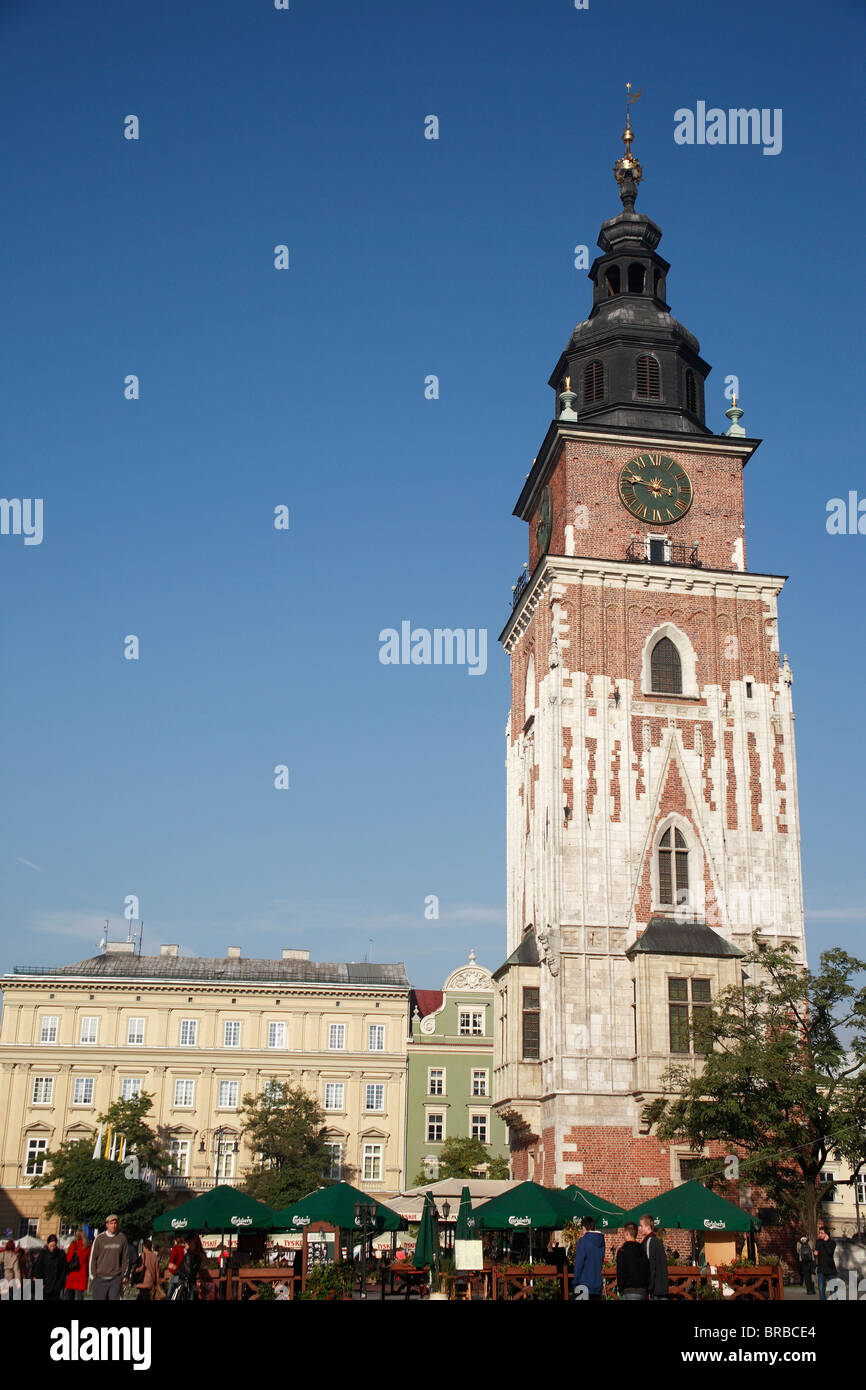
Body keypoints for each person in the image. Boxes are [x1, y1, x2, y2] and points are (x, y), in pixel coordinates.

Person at [89, 1215, 129, 1301]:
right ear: (107, 1225)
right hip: (100, 1278)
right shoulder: (100, 1239)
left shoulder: (122, 1238)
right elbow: (93, 1258)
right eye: (111, 1223)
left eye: (115, 1223)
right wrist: (93, 1276)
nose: (113, 1225)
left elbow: (125, 1258)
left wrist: (124, 1275)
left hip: (115, 1279)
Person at [572, 1216, 606, 1300]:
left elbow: (579, 1264)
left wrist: (575, 1282)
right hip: (597, 1285)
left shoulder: (583, 1241)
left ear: (583, 1227)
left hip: (583, 1284)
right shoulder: (601, 1241)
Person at [638, 1214, 669, 1300]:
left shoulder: (649, 1242)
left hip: (655, 1289)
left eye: (641, 1226)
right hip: (662, 1287)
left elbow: (650, 1266)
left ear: (648, 1226)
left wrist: (649, 1288)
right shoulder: (657, 1241)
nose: (639, 1228)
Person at [616, 1222, 650, 1301]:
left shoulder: (622, 1251)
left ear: (627, 1233)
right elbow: (647, 1269)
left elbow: (620, 1272)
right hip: (642, 1290)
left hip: (628, 1290)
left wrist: (621, 1288)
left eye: (624, 1233)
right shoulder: (642, 1249)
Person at [34, 1234, 68, 1301]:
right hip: (43, 1285)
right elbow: (37, 1269)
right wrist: (40, 1283)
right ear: (47, 1244)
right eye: (51, 1246)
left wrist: (59, 1285)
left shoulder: (61, 1254)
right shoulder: (43, 1254)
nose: (53, 1248)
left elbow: (64, 1271)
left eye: (54, 1245)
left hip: (55, 1287)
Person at [174, 1232, 204, 1300]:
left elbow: (187, 1274)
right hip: (193, 1286)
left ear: (191, 1244)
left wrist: (177, 1270)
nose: (185, 1244)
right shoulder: (198, 1256)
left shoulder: (188, 1256)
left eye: (186, 1242)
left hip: (185, 1288)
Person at [64, 1229, 90, 1300]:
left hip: (73, 1273)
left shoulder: (73, 1245)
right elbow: (88, 1262)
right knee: (80, 1296)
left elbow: (68, 1259)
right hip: (82, 1274)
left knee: (68, 1295)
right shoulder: (87, 1247)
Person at [815, 1225, 837, 1300]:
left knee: (833, 1290)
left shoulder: (832, 1243)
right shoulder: (818, 1242)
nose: (819, 1234)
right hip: (821, 1269)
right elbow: (816, 1252)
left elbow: (830, 1252)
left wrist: (825, 1242)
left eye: (821, 1233)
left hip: (831, 1269)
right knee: (821, 1290)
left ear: (826, 1234)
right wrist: (815, 1252)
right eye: (819, 1233)